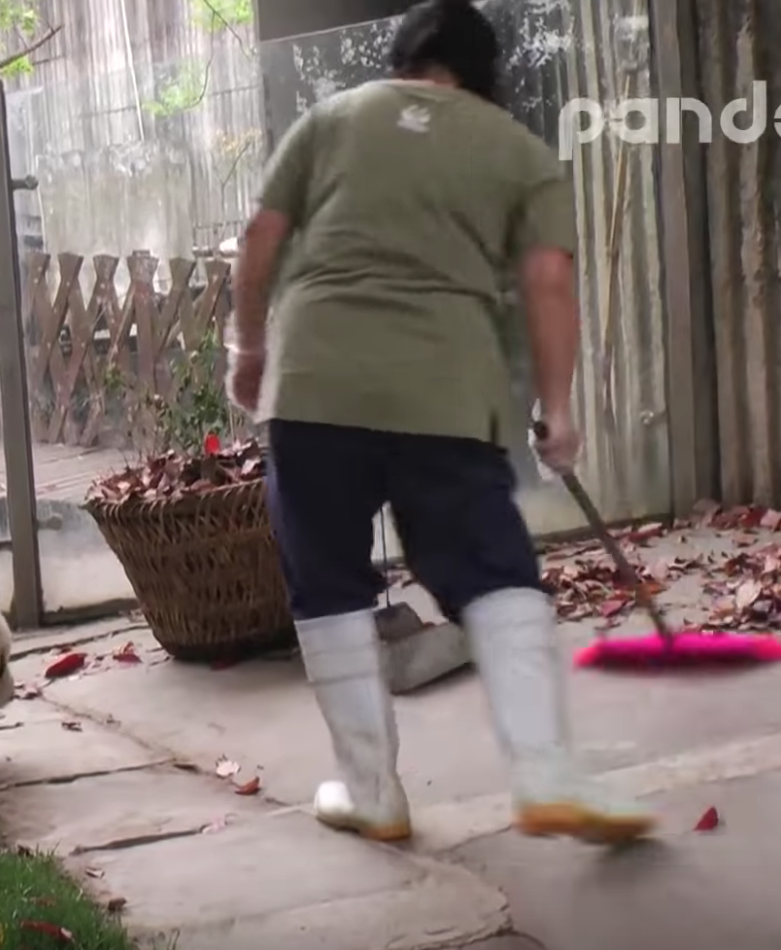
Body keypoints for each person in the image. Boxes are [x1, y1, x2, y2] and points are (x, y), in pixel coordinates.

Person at [225, 0, 656, 846]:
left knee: (328, 583)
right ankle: (546, 774)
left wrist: (248, 349)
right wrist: (559, 412)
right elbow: (549, 283)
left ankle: (372, 792)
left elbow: (260, 236)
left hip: (316, 382)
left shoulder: (331, 120)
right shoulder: (516, 150)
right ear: (485, 74)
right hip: (448, 392)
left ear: (400, 62)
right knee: (494, 571)